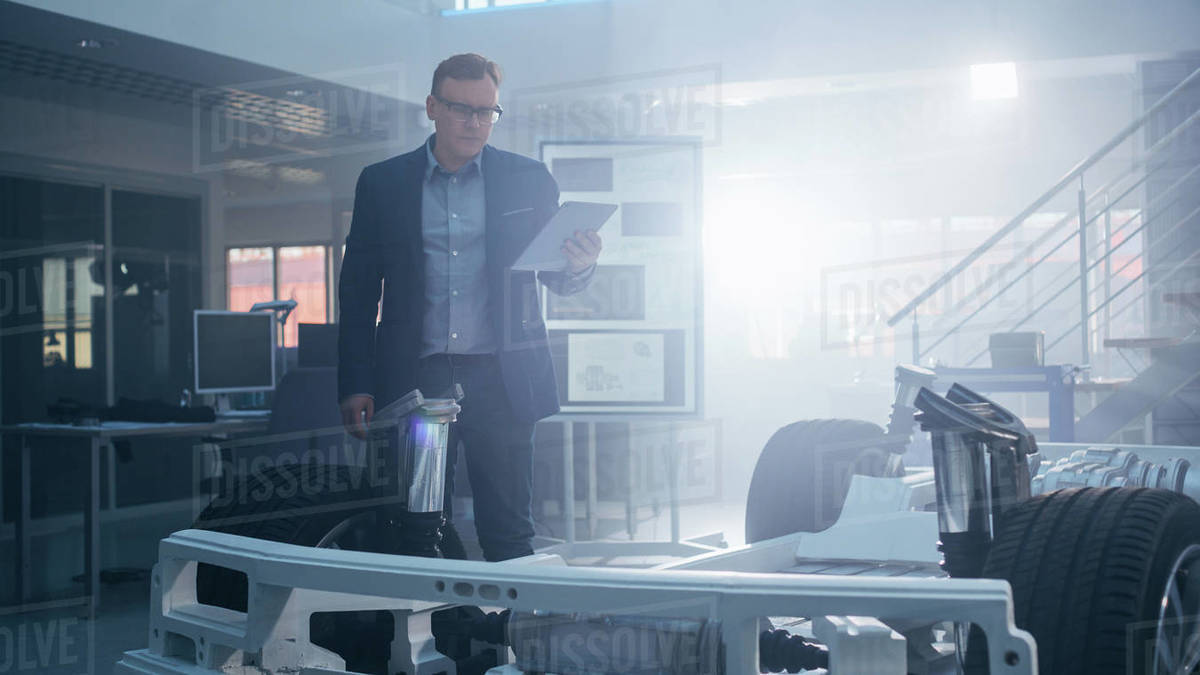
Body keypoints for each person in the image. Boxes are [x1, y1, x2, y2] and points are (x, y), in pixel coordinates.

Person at [337, 53, 602, 561]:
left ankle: (512, 639)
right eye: (462, 109)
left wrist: (578, 266)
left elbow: (553, 276)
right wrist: (354, 382)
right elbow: (357, 292)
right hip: (417, 382)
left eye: (487, 112)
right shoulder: (383, 183)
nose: (476, 123)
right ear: (433, 107)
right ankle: (441, 636)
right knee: (414, 530)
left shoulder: (529, 180)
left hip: (502, 382)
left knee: (508, 532)